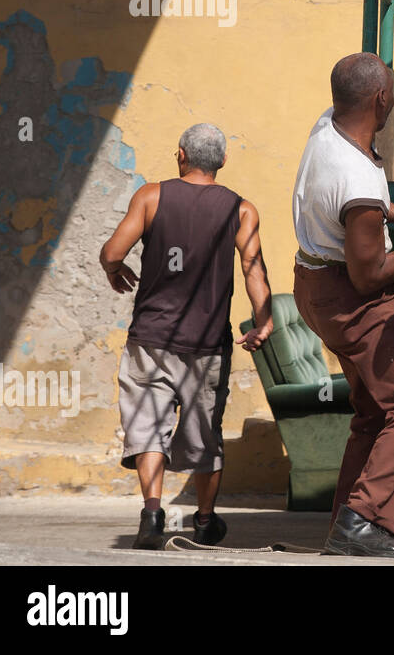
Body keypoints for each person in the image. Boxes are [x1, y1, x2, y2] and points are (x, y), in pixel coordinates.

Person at [292, 52, 394, 559]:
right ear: (381, 99)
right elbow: (370, 275)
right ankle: (362, 522)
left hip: (315, 283)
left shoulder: (330, 127)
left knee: (372, 412)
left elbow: (370, 208)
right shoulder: (355, 178)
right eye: (391, 96)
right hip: (351, 296)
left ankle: (347, 525)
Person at [100, 123, 273, 550]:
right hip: (207, 344)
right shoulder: (242, 210)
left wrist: (113, 269)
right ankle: (204, 522)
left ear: (180, 155)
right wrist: (263, 320)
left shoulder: (151, 196)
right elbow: (253, 269)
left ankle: (152, 516)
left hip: (149, 340)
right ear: (223, 162)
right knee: (204, 436)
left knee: (148, 429)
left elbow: (111, 252)